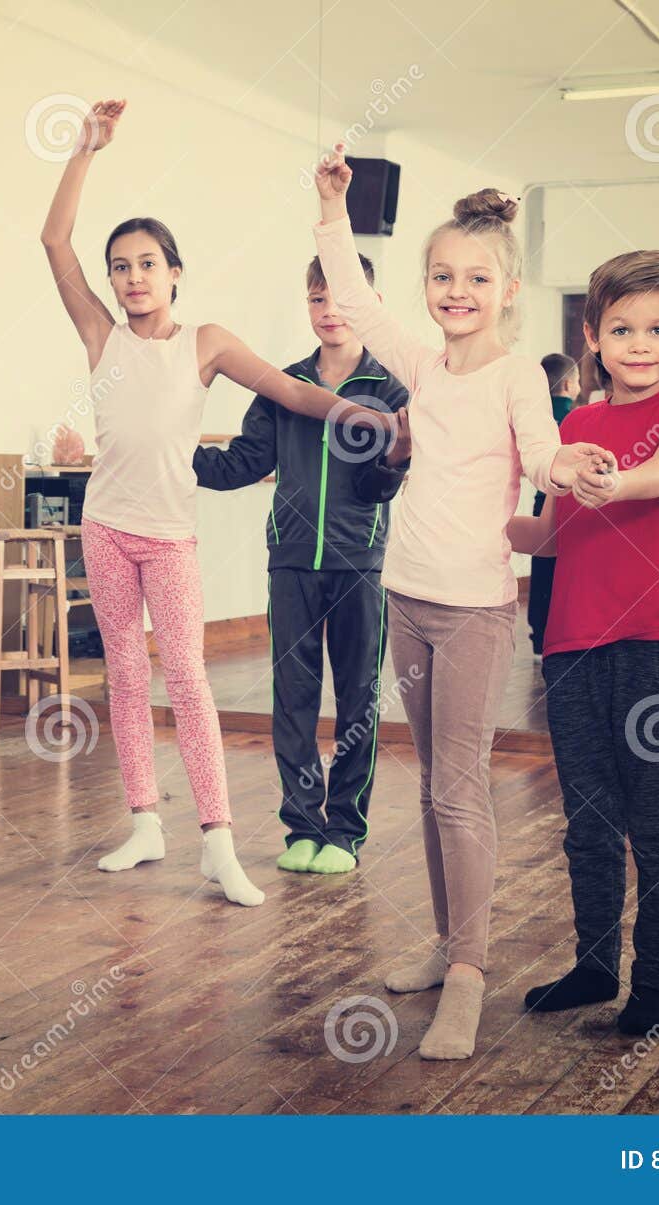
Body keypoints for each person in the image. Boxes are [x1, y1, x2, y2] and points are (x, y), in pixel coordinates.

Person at [39, 103, 393, 907]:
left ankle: (217, 842)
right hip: (105, 528)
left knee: (189, 682)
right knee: (126, 676)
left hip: (169, 538)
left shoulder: (206, 341)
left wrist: (362, 417)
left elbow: (290, 390)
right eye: (120, 265)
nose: (132, 277)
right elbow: (55, 244)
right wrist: (85, 152)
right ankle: (142, 821)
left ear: (174, 273)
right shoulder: (102, 336)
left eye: (147, 264)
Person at [313, 144, 612, 1058]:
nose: (455, 290)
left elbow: (539, 452)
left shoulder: (519, 376)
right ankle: (448, 945)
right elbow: (355, 299)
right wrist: (333, 206)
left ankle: (471, 975)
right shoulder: (424, 364)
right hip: (406, 597)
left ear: (508, 287)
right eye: (442, 276)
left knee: (461, 790)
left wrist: (566, 466)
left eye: (475, 277)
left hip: (477, 610)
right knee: (434, 789)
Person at [510, 249, 659, 1039]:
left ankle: (656, 983)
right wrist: (492, 521)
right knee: (589, 819)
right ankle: (595, 962)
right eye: (622, 328)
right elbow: (555, 533)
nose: (641, 343)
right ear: (592, 335)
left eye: (658, 328)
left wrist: (611, 482)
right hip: (571, 648)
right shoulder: (575, 425)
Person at [192, 253, 408, 875]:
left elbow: (378, 488)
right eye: (318, 299)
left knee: (359, 701)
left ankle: (344, 830)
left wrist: (394, 458)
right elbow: (240, 465)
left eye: (342, 297)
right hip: (290, 563)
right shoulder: (279, 385)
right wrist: (167, 453)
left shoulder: (390, 392)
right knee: (292, 700)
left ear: (370, 302)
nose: (330, 311)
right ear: (307, 305)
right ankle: (302, 828)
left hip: (359, 567)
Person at [527, 353, 580, 658]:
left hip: (540, 501)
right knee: (568, 573)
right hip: (572, 505)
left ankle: (539, 636)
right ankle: (563, 636)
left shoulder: (536, 419)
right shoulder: (577, 417)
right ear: (571, 384)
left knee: (543, 571)